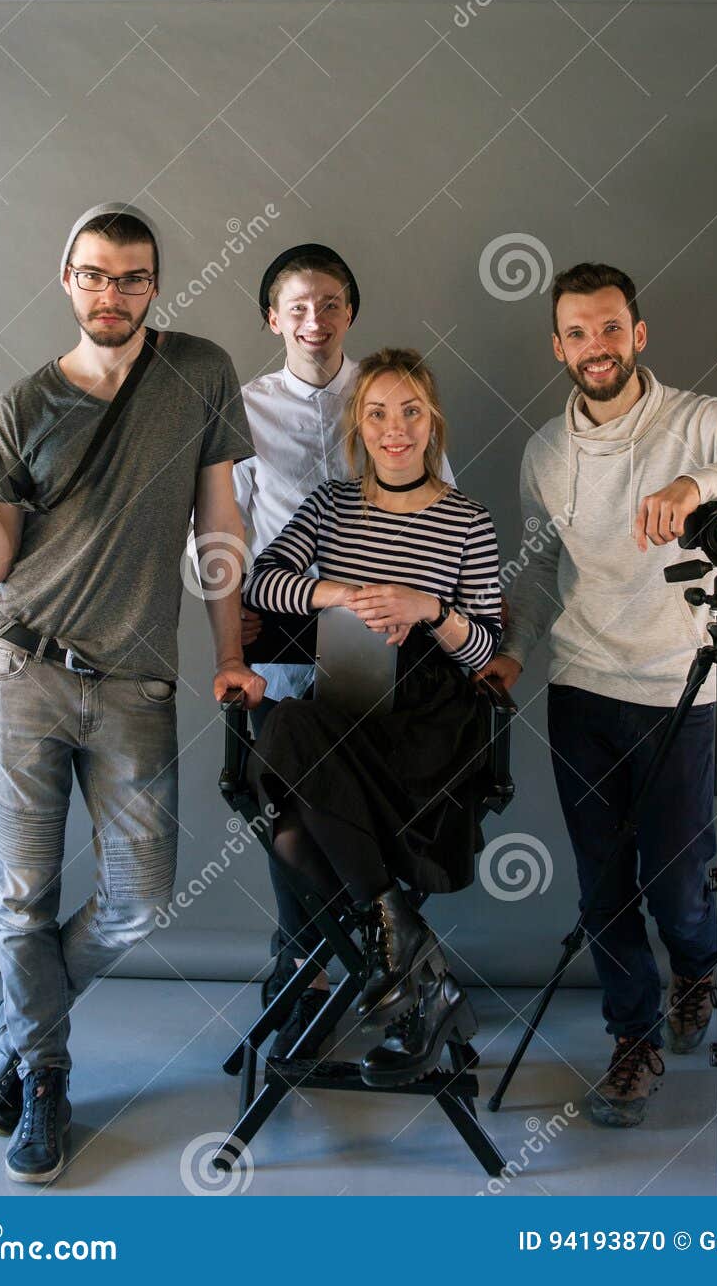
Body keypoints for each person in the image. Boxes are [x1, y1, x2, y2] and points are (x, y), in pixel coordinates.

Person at [0, 202, 262, 1184]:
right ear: (67, 278)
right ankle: (44, 1079)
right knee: (25, 900)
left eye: (132, 277)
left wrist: (230, 650)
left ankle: (12, 1019)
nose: (113, 293)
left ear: (154, 284)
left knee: (138, 898)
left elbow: (219, 525)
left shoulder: (200, 371)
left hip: (135, 678)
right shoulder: (23, 407)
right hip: (20, 668)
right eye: (94, 275)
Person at [480, 261, 717, 1127]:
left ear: (638, 333)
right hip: (580, 688)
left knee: (676, 885)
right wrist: (514, 652)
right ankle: (632, 1040)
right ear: (558, 345)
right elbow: (540, 567)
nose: (597, 346)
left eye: (611, 327)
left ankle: (695, 969)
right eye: (578, 332)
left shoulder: (697, 422)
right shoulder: (545, 452)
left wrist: (697, 485)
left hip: (679, 685)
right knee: (601, 886)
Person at [241, 347, 502, 1084]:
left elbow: (483, 651)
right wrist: (341, 593)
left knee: (296, 821)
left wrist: (429, 609)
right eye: (379, 413)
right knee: (286, 743)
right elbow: (265, 584)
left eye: (410, 412)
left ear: (432, 422)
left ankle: (393, 963)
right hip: (346, 709)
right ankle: (406, 946)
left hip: (426, 731)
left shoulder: (466, 521)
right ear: (360, 424)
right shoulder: (329, 504)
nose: (395, 429)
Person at [231, 244, 455, 1058]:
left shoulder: (383, 392)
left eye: (327, 303)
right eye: (295, 306)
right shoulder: (244, 407)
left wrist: (444, 618)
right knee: (289, 800)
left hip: (390, 647)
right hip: (287, 632)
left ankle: (389, 971)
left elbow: (443, 507)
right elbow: (219, 535)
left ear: (349, 311)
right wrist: (234, 615)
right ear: (271, 318)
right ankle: (312, 976)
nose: (312, 320)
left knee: (367, 800)